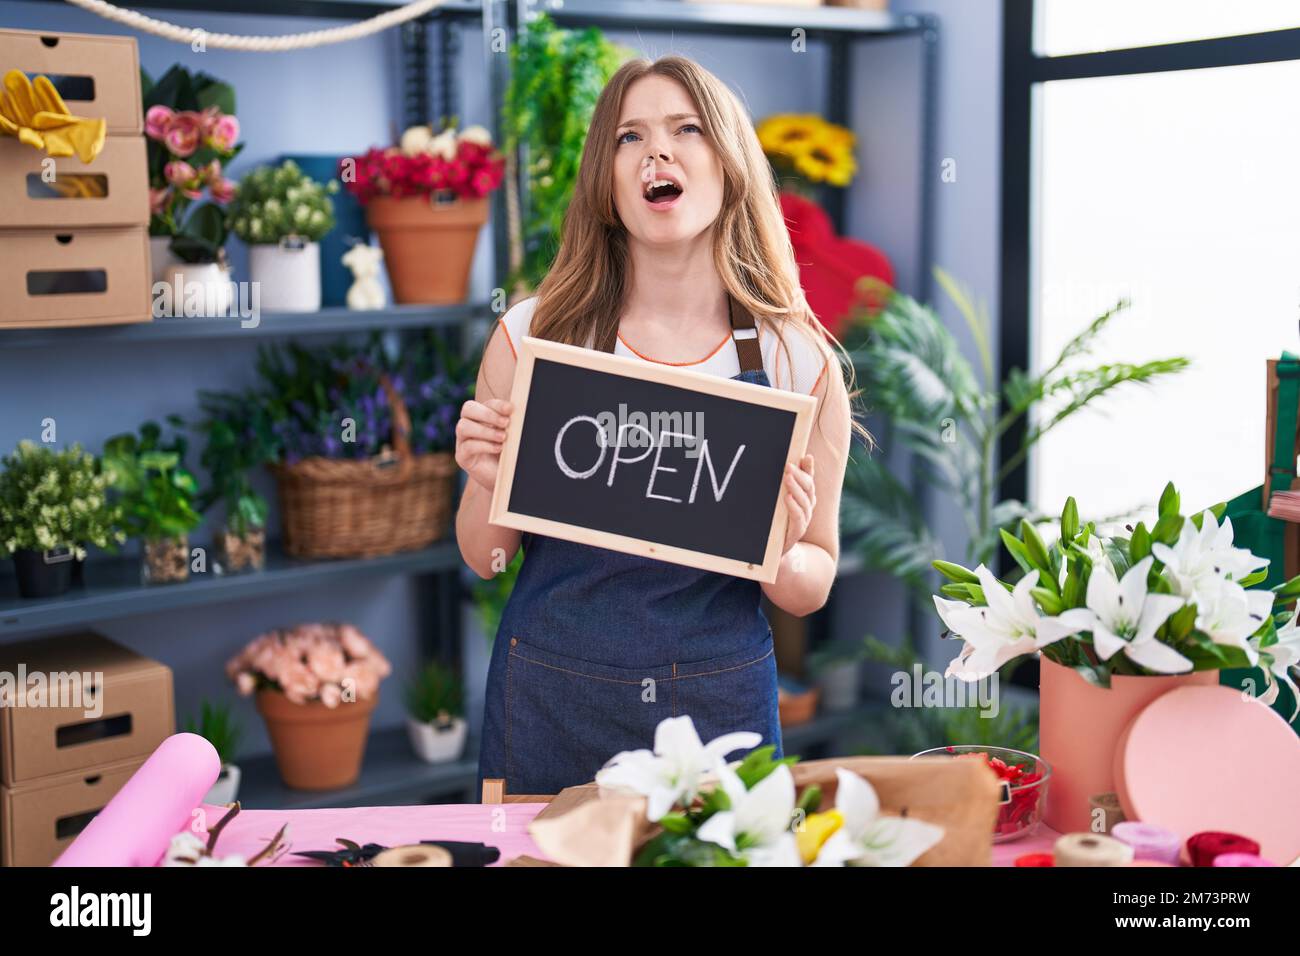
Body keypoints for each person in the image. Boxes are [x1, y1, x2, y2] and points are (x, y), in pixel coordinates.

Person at [456, 55, 863, 797]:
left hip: (718, 712)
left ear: (730, 164)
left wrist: (776, 549)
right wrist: (487, 482)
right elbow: (484, 557)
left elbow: (813, 583)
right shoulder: (530, 339)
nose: (658, 152)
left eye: (686, 129)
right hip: (550, 699)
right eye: (628, 137)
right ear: (606, 181)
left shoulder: (796, 360)